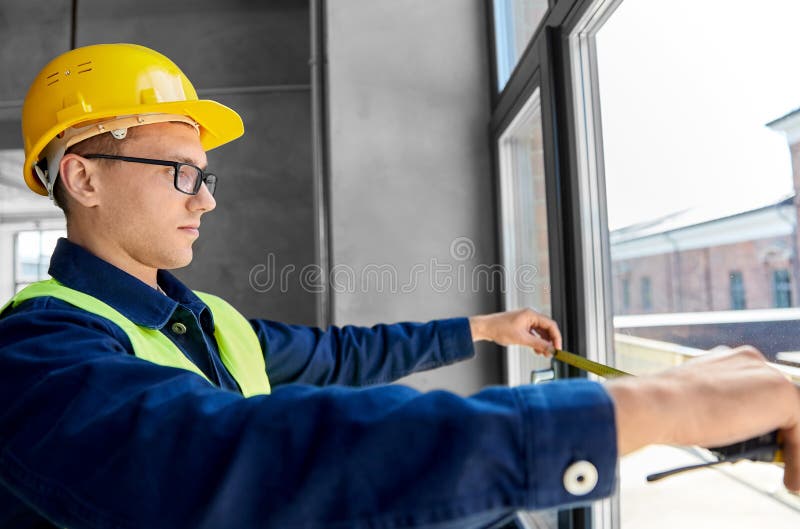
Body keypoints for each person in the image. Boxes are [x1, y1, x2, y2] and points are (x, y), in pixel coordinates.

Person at [0, 43, 796, 529]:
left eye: (205, 176)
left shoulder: (206, 320)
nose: (205, 197)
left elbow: (344, 355)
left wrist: (486, 328)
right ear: (83, 177)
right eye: (180, 173)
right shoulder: (37, 352)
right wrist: (659, 405)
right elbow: (230, 461)